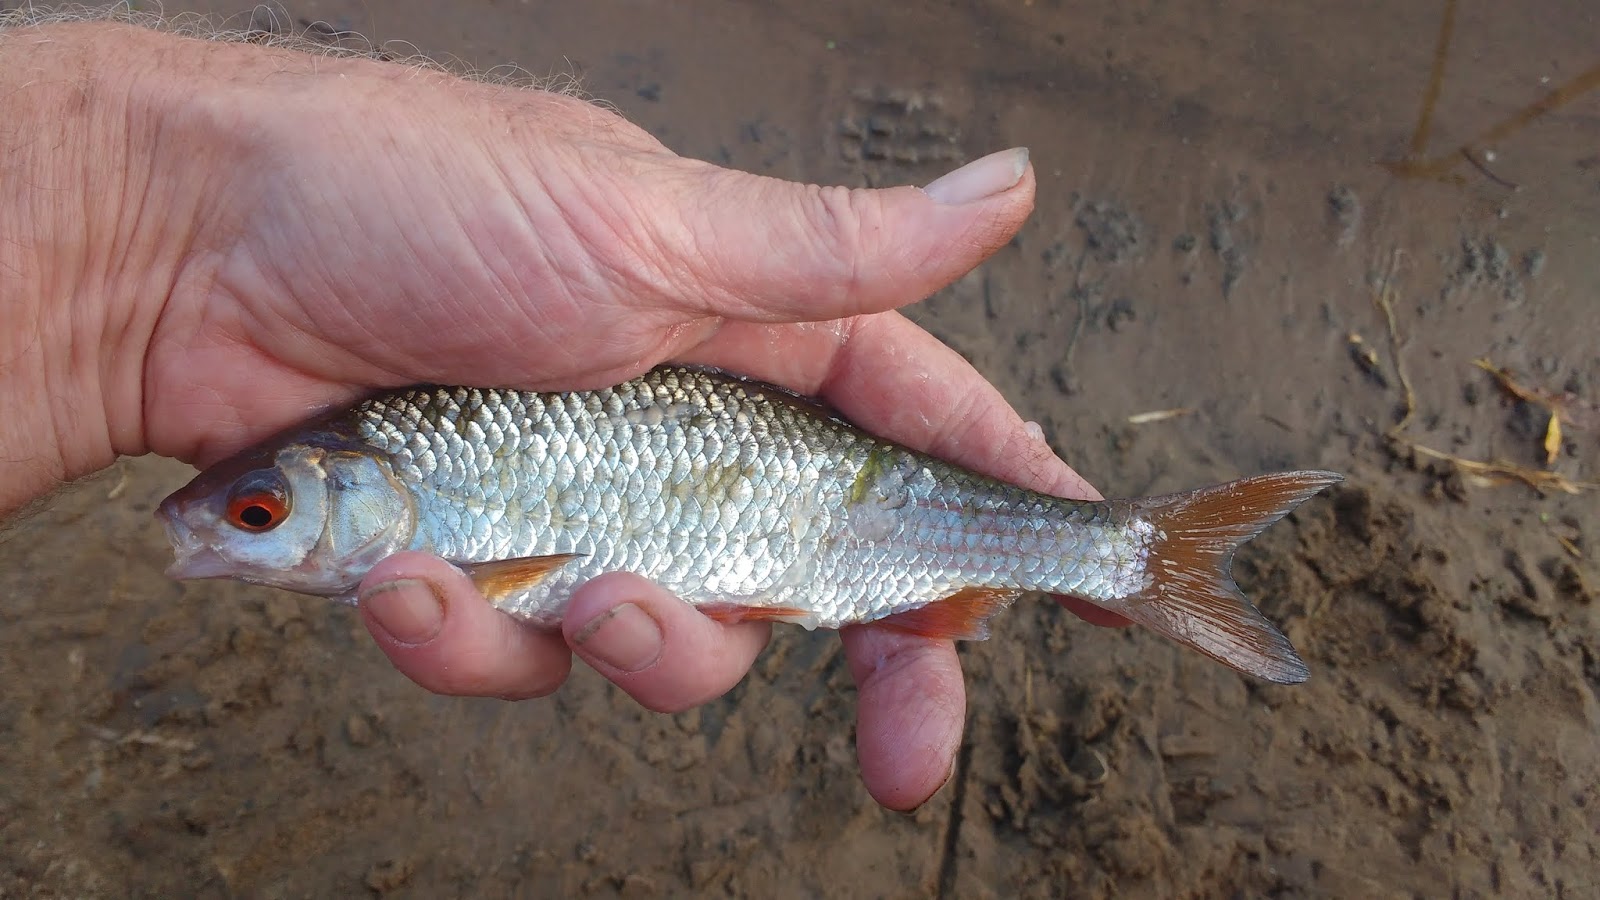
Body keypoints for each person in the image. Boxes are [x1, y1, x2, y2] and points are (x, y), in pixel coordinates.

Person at [0, 16, 1124, 812]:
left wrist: (147, 224)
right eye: (254, 513)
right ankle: (1114, 559)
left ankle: (1122, 558)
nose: (219, 525)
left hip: (801, 484)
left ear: (362, 486)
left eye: (255, 512)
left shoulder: (401, 452)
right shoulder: (395, 459)